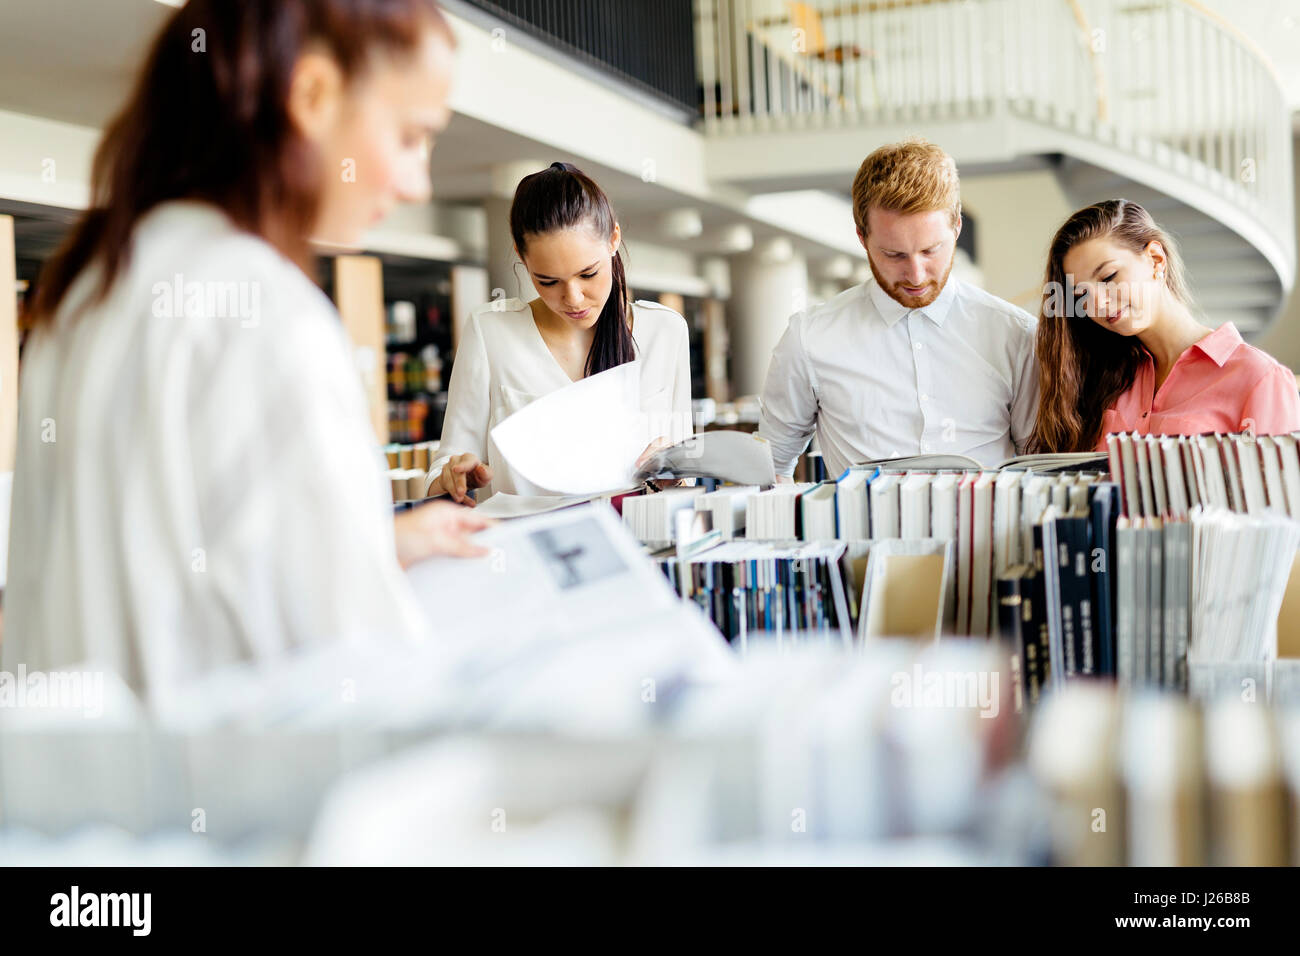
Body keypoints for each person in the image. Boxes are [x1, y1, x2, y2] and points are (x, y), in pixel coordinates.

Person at [3, 0, 487, 706]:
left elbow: (159, 575)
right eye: (412, 136)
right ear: (314, 95)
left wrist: (374, 548)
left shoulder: (86, 295)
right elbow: (352, 675)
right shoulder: (264, 313)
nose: (417, 182)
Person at [758, 138, 1038, 478]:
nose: (916, 275)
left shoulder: (1016, 334)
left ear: (957, 227)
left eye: (931, 250)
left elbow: (1034, 464)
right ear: (862, 237)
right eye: (894, 255)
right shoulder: (809, 338)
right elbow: (770, 466)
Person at [425, 161, 693, 502]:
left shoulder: (665, 332)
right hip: (531, 548)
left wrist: (674, 478)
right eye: (547, 282)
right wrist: (453, 477)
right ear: (522, 260)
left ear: (614, 238)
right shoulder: (491, 331)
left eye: (588, 273)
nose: (573, 298)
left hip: (639, 547)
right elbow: (444, 470)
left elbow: (686, 478)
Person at [1029, 199, 1300, 453]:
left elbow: (1280, 499)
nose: (1097, 302)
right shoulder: (1101, 379)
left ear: (1156, 260)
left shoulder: (1258, 378)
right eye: (1081, 295)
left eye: (1109, 276)